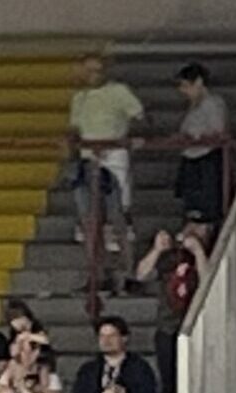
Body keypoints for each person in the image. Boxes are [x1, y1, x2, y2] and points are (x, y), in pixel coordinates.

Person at [70, 55, 146, 255]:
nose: (93, 75)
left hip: (115, 155)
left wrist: (133, 138)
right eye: (88, 71)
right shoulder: (79, 98)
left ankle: (127, 271)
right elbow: (75, 129)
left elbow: (141, 118)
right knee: (89, 219)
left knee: (119, 213)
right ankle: (97, 273)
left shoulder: (119, 92)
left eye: (97, 70)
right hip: (88, 158)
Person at [135, 213, 213, 393]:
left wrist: (198, 252)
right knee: (170, 384)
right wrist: (157, 249)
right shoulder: (169, 255)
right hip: (167, 325)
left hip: (196, 324)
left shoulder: (209, 252)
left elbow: (209, 284)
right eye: (191, 226)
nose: (194, 232)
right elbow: (141, 274)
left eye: (200, 227)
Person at [173, 64, 230, 223]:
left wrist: (195, 137)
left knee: (205, 205)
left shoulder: (213, 103)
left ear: (198, 82)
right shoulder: (194, 107)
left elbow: (218, 130)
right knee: (191, 204)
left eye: (186, 86)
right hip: (192, 157)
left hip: (206, 158)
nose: (184, 91)